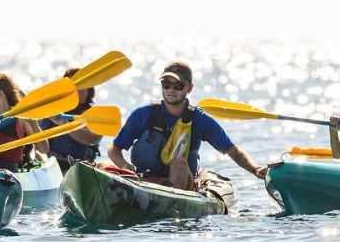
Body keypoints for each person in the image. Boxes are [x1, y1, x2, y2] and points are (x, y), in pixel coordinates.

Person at [109, 61, 268, 190]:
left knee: (179, 163)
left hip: (182, 186)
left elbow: (233, 151)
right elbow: (114, 149)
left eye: (177, 85)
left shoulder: (200, 120)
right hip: (144, 181)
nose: (171, 90)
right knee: (105, 166)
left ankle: (171, 203)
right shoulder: (143, 113)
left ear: (189, 88)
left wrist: (255, 169)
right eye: (166, 83)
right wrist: (123, 165)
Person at [36, 66, 101, 171]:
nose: (73, 89)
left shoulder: (96, 115)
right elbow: (35, 138)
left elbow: (92, 139)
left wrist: (65, 125)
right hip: (45, 166)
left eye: (78, 85)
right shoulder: (50, 110)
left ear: (89, 89)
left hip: (76, 169)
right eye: (69, 85)